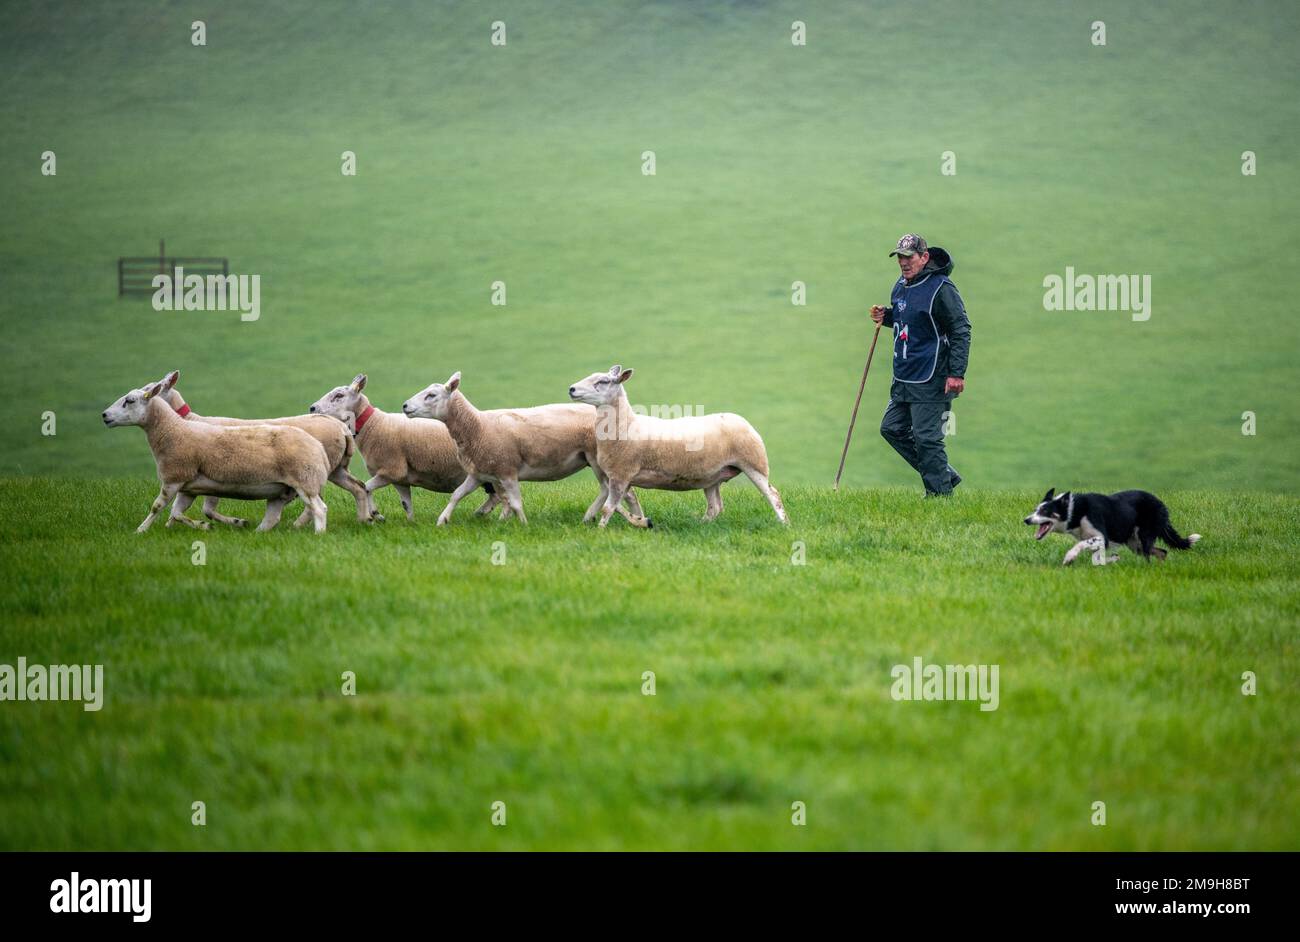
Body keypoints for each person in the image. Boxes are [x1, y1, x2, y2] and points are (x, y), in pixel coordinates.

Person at [869, 234, 971, 496]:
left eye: (909, 257)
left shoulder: (942, 288)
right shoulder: (901, 286)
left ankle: (939, 495)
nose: (903, 262)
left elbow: (961, 330)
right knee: (891, 428)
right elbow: (910, 321)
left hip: (932, 376)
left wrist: (956, 373)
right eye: (900, 257)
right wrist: (888, 316)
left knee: (927, 438)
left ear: (924, 257)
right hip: (904, 376)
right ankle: (944, 475)